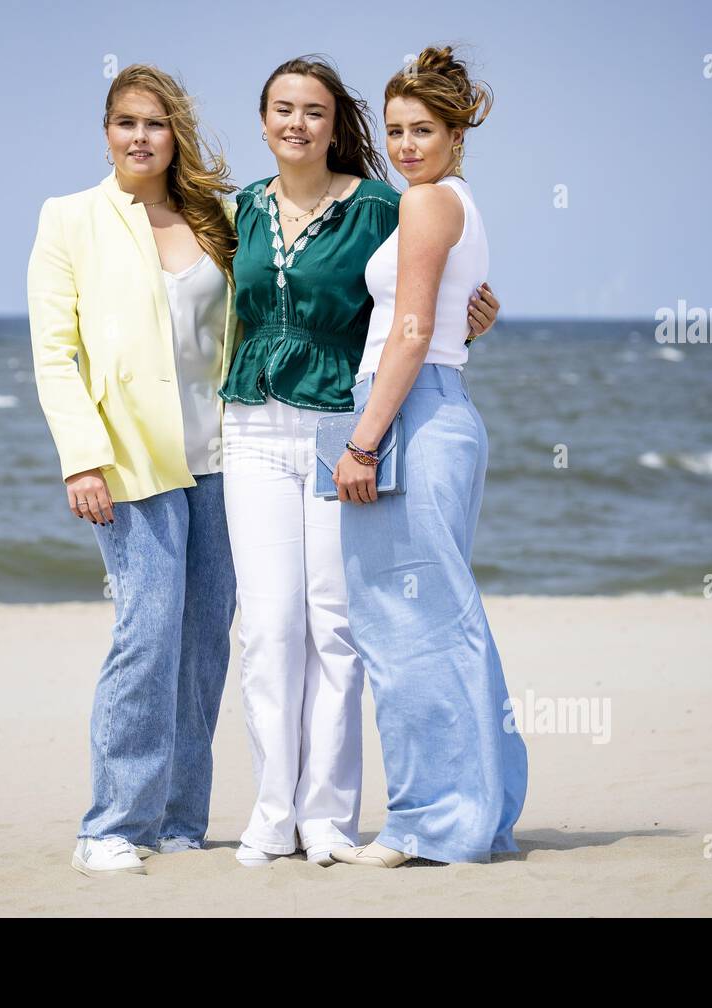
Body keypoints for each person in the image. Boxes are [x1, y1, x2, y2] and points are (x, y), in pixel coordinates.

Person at [219, 54, 501, 867]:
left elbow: (434, 299)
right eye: (282, 108)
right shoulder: (238, 210)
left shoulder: (386, 202)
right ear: (263, 119)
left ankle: (328, 820)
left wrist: (480, 319)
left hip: (341, 425)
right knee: (269, 630)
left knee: (337, 627)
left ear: (336, 122)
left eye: (313, 110)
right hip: (249, 428)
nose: (296, 123)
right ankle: (273, 811)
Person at [26, 64, 241, 877]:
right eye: (125, 122)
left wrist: (456, 314)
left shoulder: (214, 218)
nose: (139, 137)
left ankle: (180, 817)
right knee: (146, 635)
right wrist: (82, 459)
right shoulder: (70, 219)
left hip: (224, 459)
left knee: (205, 642)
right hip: (130, 460)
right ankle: (110, 824)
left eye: (154, 123)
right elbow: (55, 353)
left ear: (174, 132)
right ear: (106, 132)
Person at [329, 46, 528, 868]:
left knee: (403, 631)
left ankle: (423, 826)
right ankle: (483, 818)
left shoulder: (426, 206)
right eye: (396, 129)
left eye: (424, 130)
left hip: (408, 412)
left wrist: (361, 441)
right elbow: (445, 321)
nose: (406, 144)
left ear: (456, 133)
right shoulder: (457, 205)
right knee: (444, 625)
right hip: (440, 406)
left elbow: (409, 333)